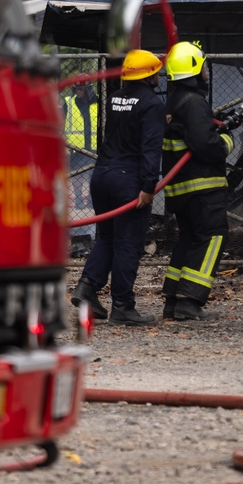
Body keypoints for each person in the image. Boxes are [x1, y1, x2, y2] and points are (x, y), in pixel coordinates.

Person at [71, 48, 164, 325]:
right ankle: (123, 306)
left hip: (103, 175)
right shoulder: (152, 104)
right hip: (128, 180)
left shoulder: (115, 99)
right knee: (128, 244)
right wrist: (149, 185)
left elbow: (128, 127)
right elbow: (150, 148)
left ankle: (87, 286)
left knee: (108, 238)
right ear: (150, 75)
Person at [160, 40, 240, 321]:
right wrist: (228, 139)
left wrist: (215, 121)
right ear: (194, 69)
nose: (206, 70)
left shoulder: (177, 100)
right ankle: (190, 301)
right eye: (203, 65)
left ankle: (173, 299)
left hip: (182, 189)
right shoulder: (194, 103)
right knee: (213, 237)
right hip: (201, 188)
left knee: (190, 238)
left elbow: (193, 133)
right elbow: (207, 146)